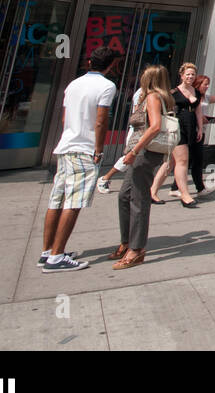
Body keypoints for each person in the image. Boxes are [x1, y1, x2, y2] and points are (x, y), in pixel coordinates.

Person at [41, 46, 120, 271]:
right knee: (74, 203)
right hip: (85, 149)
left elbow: (65, 116)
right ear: (111, 65)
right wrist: (98, 148)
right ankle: (56, 257)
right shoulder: (107, 86)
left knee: (57, 199)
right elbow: (101, 120)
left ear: (89, 62)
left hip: (66, 146)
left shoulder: (74, 84)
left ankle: (47, 251)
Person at [111, 65, 174, 269]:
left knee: (138, 198)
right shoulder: (156, 97)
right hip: (144, 151)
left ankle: (136, 249)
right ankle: (127, 241)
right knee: (125, 196)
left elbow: (155, 126)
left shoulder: (153, 97)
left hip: (145, 152)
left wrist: (134, 151)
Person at [150, 62, 207, 207]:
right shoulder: (173, 93)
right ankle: (185, 195)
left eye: (193, 74)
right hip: (177, 128)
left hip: (191, 127)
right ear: (181, 76)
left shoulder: (197, 92)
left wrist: (200, 129)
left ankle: (152, 191)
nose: (190, 76)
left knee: (170, 163)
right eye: (187, 74)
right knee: (182, 161)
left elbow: (198, 111)